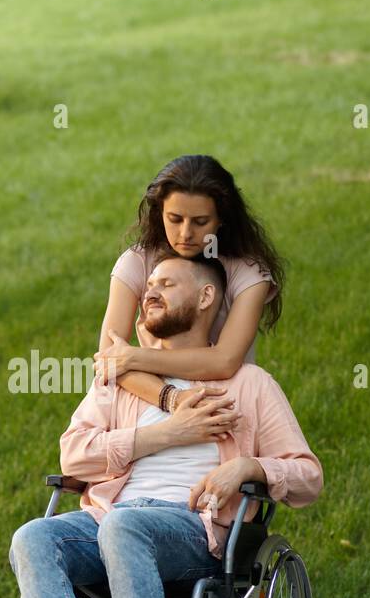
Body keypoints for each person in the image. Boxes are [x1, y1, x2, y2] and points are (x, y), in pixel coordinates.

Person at [8, 254, 322, 598]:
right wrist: (164, 434)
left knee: (125, 528)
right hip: (110, 519)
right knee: (33, 538)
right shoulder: (124, 382)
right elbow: (73, 452)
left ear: (205, 298)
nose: (149, 291)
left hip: (193, 530)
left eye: (166, 283)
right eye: (148, 282)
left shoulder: (247, 385)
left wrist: (248, 468)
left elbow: (308, 476)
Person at [94, 154, 285, 419]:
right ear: (160, 211)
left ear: (221, 219)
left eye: (200, 222)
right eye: (175, 218)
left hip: (226, 401)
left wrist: (134, 357)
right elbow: (107, 360)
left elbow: (225, 361)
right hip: (146, 399)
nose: (185, 234)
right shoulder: (137, 262)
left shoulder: (248, 273)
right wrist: (171, 398)